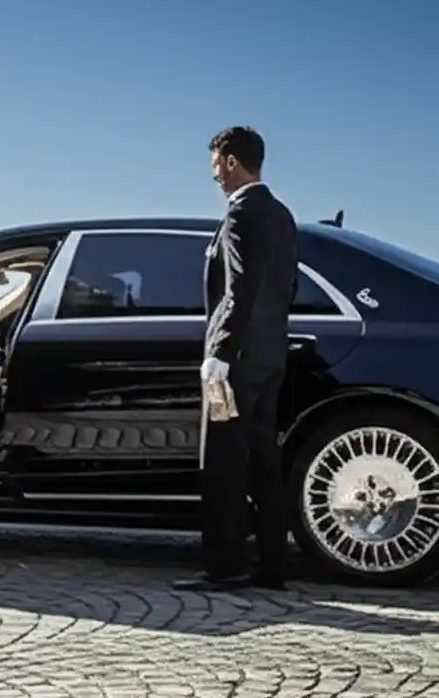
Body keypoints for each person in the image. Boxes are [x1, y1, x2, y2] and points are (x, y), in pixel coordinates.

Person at [173, 125, 297, 592]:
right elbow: (286, 287)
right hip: (270, 356)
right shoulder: (282, 214)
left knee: (223, 464)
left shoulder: (241, 214)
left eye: (215, 167)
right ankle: (272, 566)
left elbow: (239, 285)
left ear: (230, 160)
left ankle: (225, 567)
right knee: (265, 461)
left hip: (237, 360)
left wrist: (221, 350)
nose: (214, 178)